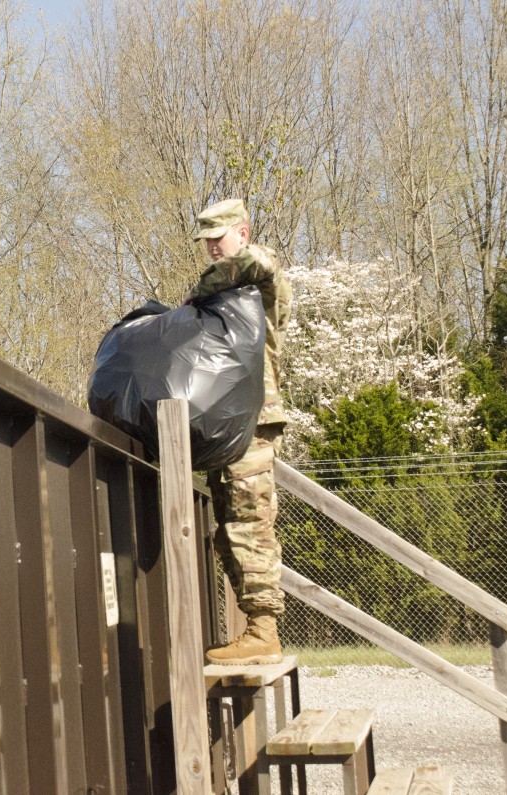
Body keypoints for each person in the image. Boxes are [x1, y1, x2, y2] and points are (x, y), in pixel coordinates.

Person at [184, 198, 292, 665]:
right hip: (228, 428)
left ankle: (264, 630)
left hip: (252, 423)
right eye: (206, 240)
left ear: (243, 232)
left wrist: (198, 292)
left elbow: (258, 262)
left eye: (219, 237)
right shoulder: (228, 293)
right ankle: (253, 631)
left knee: (250, 524)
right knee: (229, 530)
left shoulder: (259, 277)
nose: (212, 247)